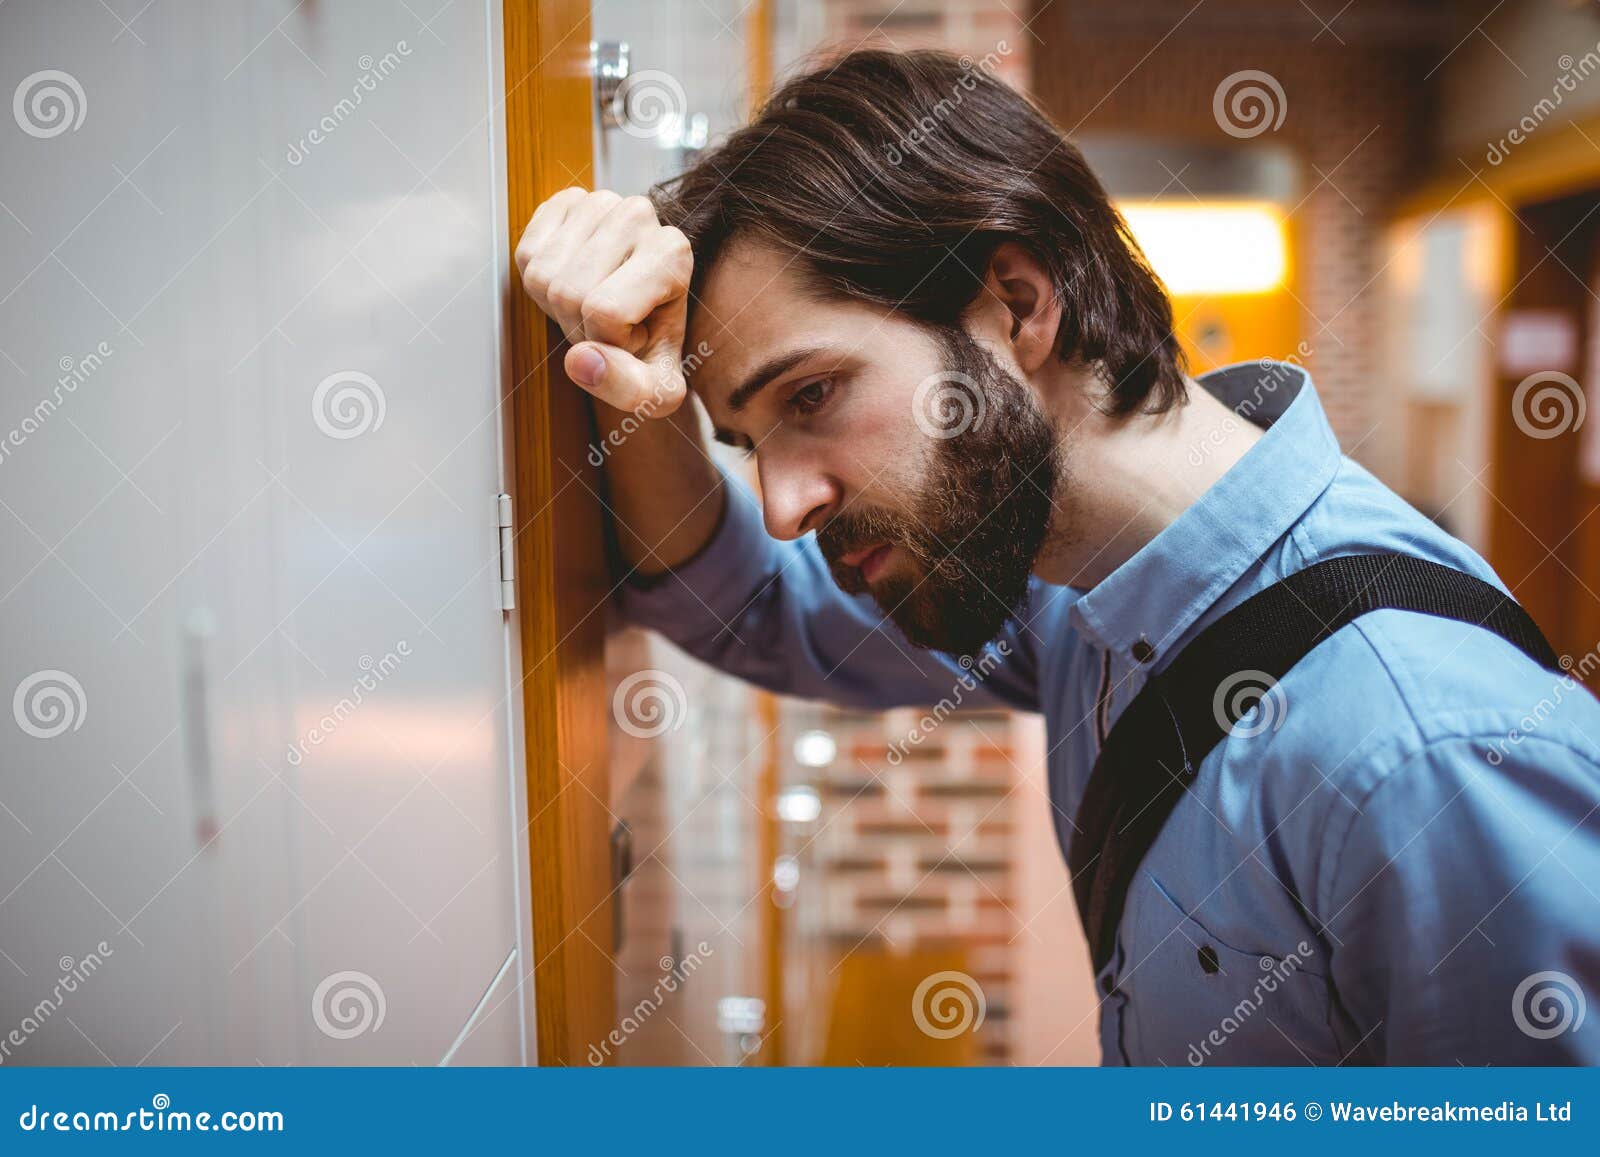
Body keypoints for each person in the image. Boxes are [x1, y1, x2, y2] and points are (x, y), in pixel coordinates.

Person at [514, 49, 1600, 1065]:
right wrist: (630, 381)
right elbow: (749, 603)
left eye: (812, 396)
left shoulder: (1424, 749)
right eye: (749, 441)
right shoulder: (1071, 588)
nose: (785, 504)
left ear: (1019, 305)